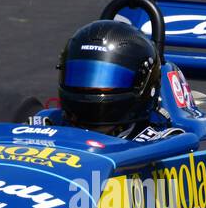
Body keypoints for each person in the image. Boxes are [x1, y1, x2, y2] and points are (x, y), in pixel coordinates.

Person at [56, 20, 184, 141]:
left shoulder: (160, 142)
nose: (88, 89)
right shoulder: (48, 123)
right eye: (79, 76)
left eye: (105, 81)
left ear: (143, 85)